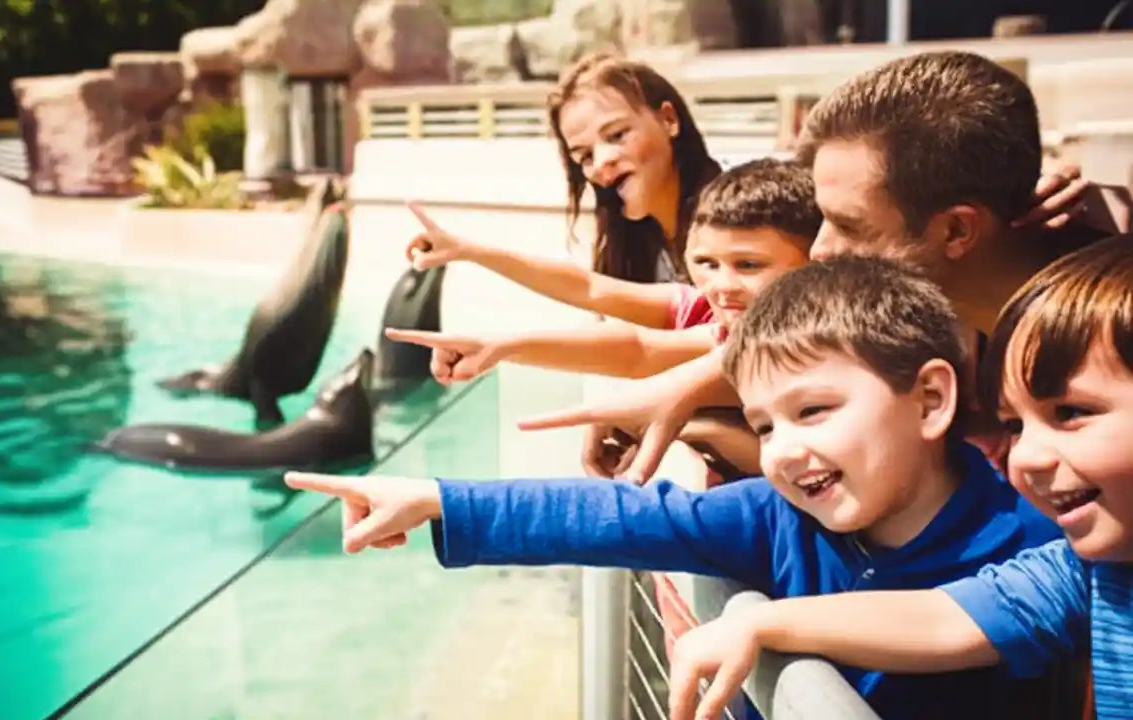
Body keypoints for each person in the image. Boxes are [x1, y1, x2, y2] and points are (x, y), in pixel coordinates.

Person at [285, 255, 1064, 720]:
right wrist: (438, 500)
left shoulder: (1038, 542)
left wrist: (769, 624)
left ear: (930, 400)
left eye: (815, 411)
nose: (786, 451)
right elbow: (621, 515)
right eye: (764, 426)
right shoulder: (776, 514)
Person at [515, 50, 1109, 486]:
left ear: (956, 230)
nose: (819, 251)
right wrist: (677, 392)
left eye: (849, 225)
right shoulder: (949, 316)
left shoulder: (1099, 318)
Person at [663, 233, 1133, 720]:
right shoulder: (1084, 575)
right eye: (1015, 426)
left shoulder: (1047, 545)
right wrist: (759, 624)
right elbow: (942, 618)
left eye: (1073, 412)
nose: (1027, 456)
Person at [391, 158, 819, 478]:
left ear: (814, 261)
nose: (723, 284)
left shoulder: (809, 341)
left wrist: (689, 426)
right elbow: (606, 308)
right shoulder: (714, 318)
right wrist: (499, 344)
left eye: (748, 265)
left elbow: (640, 353)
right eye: (707, 263)